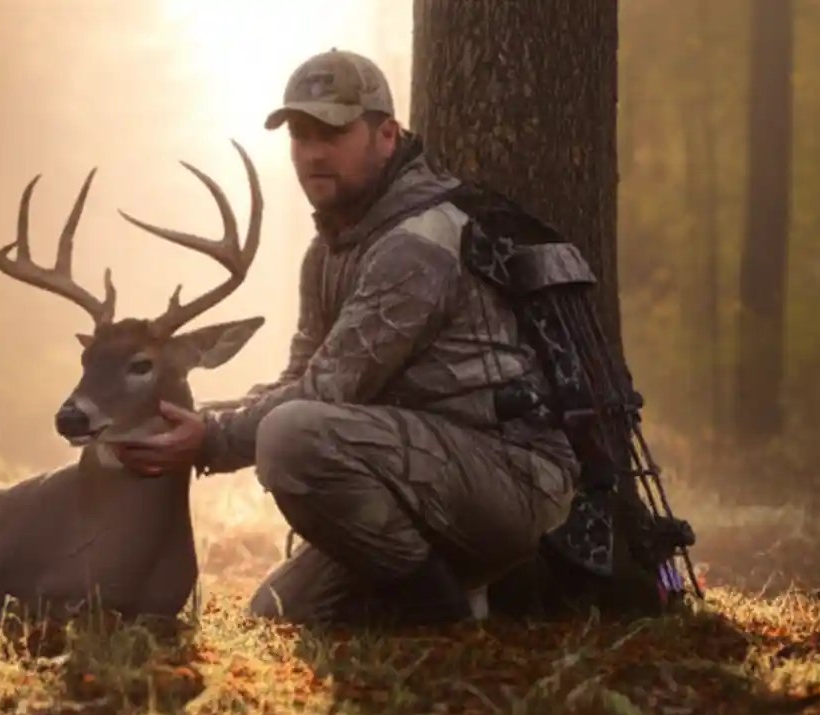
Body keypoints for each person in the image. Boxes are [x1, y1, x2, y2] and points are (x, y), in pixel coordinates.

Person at [112, 48, 580, 625]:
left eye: (331, 133)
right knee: (277, 612)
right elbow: (300, 377)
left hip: (509, 477)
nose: (311, 154)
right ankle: (470, 587)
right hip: (415, 477)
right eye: (300, 135)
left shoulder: (416, 245)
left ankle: (443, 613)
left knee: (291, 435)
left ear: (387, 135)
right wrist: (189, 421)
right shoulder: (331, 249)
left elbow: (325, 394)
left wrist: (210, 438)